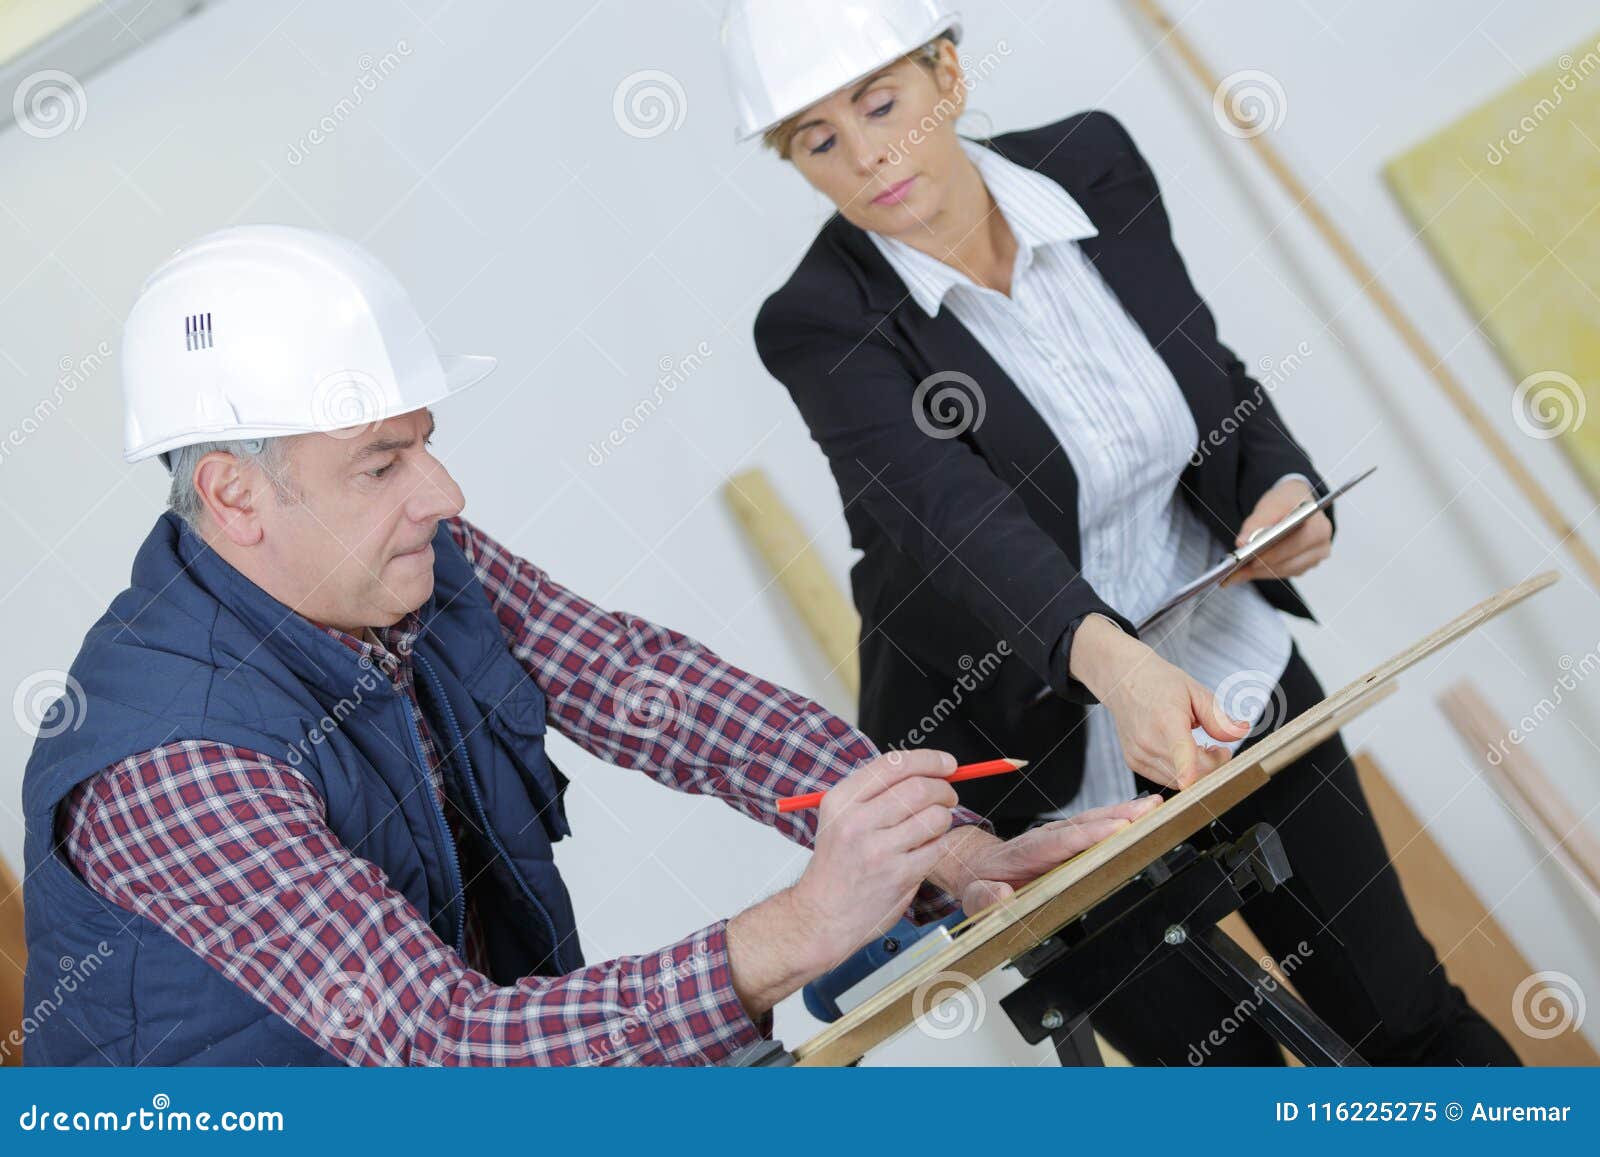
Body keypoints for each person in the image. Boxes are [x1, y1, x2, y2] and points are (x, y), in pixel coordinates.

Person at [19, 224, 1155, 1067]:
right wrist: (799, 928)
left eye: (425, 442)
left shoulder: (405, 565)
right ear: (234, 495)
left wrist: (942, 849)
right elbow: (441, 1049)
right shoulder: (169, 760)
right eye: (380, 461)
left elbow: (641, 683)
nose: (442, 491)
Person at [723, 0, 1519, 1064]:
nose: (868, 156)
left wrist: (1280, 482)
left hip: (1226, 674)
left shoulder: (1090, 167)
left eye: (882, 104)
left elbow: (1201, 365)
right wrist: (1117, 668)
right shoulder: (819, 322)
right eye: (819, 141)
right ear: (797, 164)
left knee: (1402, 1012)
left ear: (947, 77)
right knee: (1226, 1095)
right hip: (1033, 764)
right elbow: (960, 523)